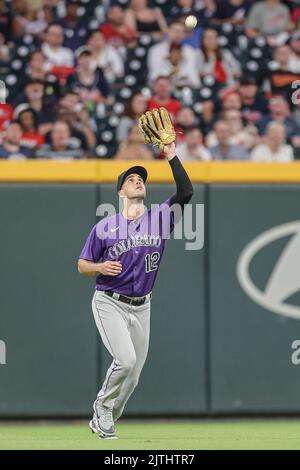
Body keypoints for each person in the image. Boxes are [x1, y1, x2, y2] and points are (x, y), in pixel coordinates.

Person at [78, 136, 193, 439]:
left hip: (143, 305)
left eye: (141, 178)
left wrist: (171, 156)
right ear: (121, 192)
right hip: (109, 301)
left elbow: (186, 192)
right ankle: (102, 408)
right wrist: (100, 267)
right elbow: (82, 265)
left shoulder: (160, 218)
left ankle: (105, 418)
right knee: (125, 361)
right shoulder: (104, 227)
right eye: (131, 179)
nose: (138, 182)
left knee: (133, 377)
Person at [66, 46, 111, 113]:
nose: (86, 60)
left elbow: (108, 95)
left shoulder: (99, 75)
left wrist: (100, 99)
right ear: (78, 60)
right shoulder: (72, 77)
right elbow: (68, 95)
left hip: (97, 108)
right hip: (78, 110)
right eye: (83, 57)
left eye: (88, 56)